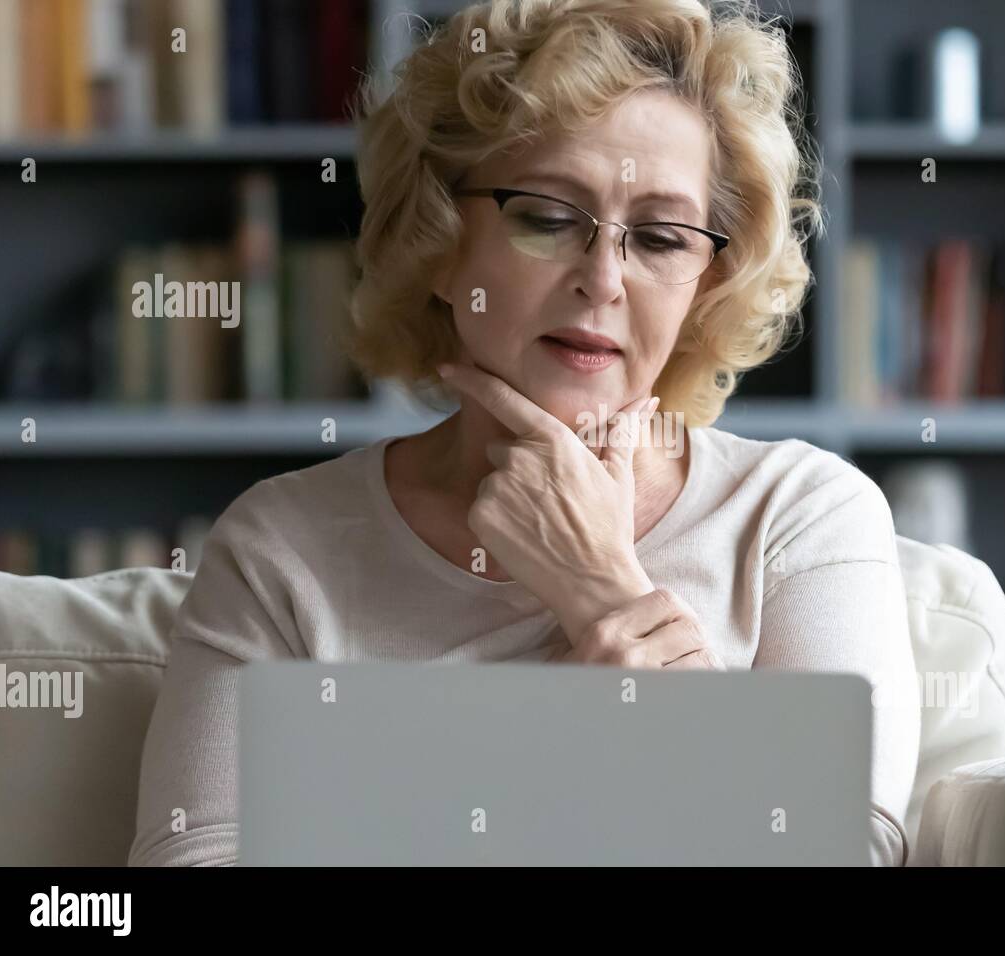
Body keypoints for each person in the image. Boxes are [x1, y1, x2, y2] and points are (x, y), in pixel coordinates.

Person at [128, 0, 920, 867]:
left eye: (659, 237)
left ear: (708, 280)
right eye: (545, 216)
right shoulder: (282, 548)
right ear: (439, 240)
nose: (603, 279)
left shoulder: (801, 516)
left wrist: (605, 591)